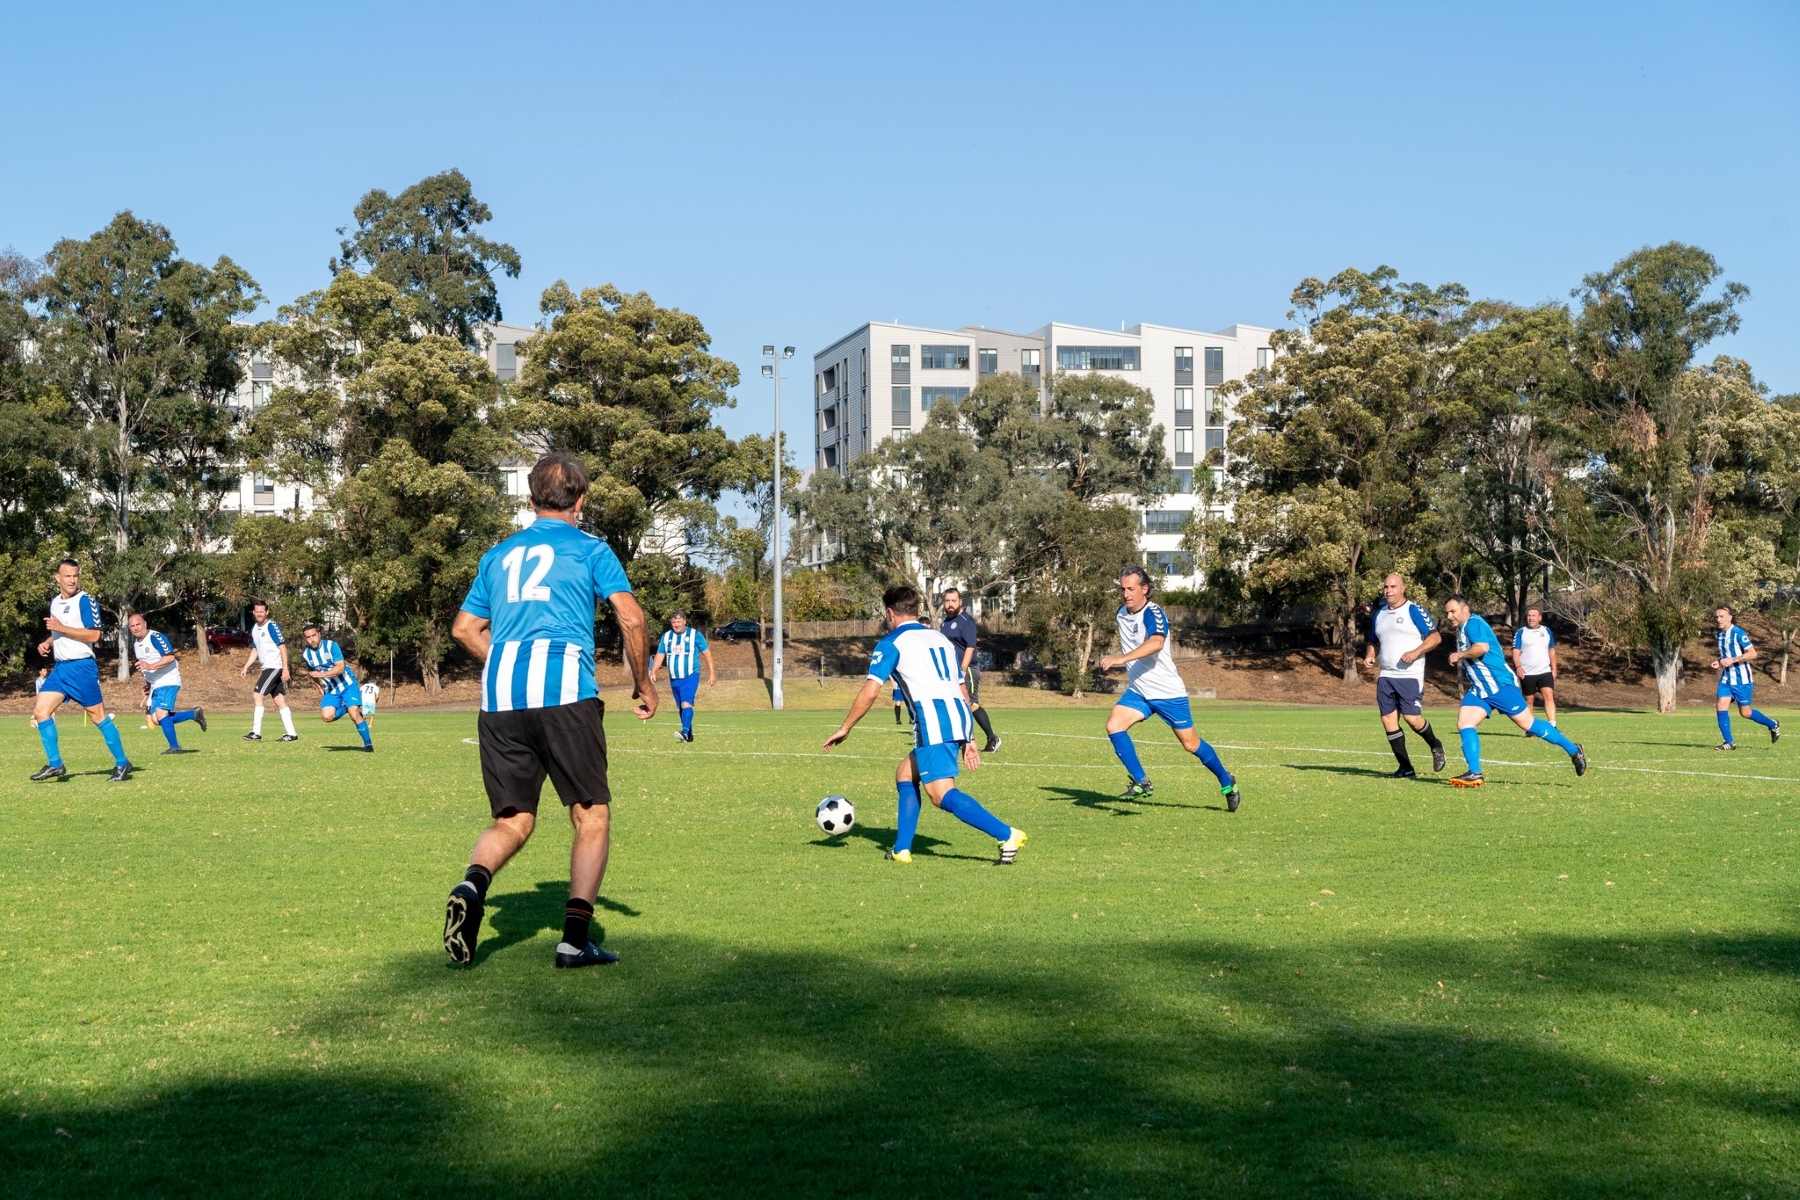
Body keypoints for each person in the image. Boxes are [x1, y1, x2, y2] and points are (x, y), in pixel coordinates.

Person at [443, 452, 656, 969]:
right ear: (580, 501)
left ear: (531, 498)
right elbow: (631, 618)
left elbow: (464, 629)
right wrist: (643, 682)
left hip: (499, 701)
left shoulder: (497, 556)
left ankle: (471, 886)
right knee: (591, 816)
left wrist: (507, 661)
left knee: (513, 820)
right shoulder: (591, 549)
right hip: (564, 695)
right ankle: (574, 941)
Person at [823, 584, 1025, 865]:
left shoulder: (892, 643)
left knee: (941, 795)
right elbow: (962, 689)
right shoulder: (940, 638)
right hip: (958, 715)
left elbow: (870, 691)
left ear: (890, 613)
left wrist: (845, 727)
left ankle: (1007, 834)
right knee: (905, 774)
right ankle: (902, 849)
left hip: (934, 720)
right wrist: (969, 737)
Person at [1098, 566, 1240, 810]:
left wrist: (1121, 659)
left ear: (1145, 588)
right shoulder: (1121, 613)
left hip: (1167, 693)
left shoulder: (1153, 613)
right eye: (1122, 589)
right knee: (1114, 725)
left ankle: (1227, 781)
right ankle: (1141, 782)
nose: (1126, 594)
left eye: (1131, 589)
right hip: (1140, 691)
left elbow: (1156, 643)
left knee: (1191, 744)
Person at [1444, 594, 1587, 787]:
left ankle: (1574, 750)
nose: (1449, 616)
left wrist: (1459, 655)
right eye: (1447, 613)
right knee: (1465, 723)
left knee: (1529, 724)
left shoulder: (1473, 624)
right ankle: (1474, 772)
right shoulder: (1463, 627)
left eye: (1453, 611)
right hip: (1481, 688)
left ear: (1465, 609)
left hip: (1499, 685)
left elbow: (1482, 647)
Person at [29, 559, 133, 783]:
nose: (72, 580)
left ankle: (122, 762)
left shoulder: (86, 601)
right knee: (40, 711)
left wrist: (61, 628)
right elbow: (60, 631)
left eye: (75, 576)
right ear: (57, 577)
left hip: (81, 667)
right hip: (61, 669)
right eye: (67, 576)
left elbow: (94, 635)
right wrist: (48, 641)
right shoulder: (55, 603)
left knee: (98, 717)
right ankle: (55, 764)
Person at [1359, 573, 1447, 779]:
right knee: (1388, 720)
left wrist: (1416, 652)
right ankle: (1405, 768)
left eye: (1393, 586)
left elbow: (1435, 637)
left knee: (1412, 719)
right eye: (1386, 587)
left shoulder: (1413, 610)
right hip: (1386, 675)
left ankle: (1435, 745)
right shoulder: (1379, 615)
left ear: (1402, 588)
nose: (1388, 590)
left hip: (1409, 675)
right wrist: (1370, 655)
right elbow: (1373, 641)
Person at [128, 613, 206, 754]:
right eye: (132, 626)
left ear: (145, 624)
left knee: (161, 714)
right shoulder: (136, 645)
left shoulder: (155, 637)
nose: (136, 628)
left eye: (138, 624)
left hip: (168, 680)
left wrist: (150, 666)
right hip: (155, 685)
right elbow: (143, 666)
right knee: (156, 719)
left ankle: (175, 747)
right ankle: (194, 714)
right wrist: (148, 685)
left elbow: (170, 657)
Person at [939, 587, 1001, 753]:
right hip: (951, 671)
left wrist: (963, 669)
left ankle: (992, 738)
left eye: (953, 600)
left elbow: (970, 647)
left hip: (967, 670)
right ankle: (957, 739)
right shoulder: (945, 622)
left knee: (971, 704)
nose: (950, 604)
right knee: (953, 704)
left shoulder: (966, 621)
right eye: (947, 601)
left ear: (960, 602)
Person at [1711, 605, 1779, 750]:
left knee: (1745, 713)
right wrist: (1719, 661)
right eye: (1716, 617)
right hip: (1726, 678)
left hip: (1742, 679)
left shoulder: (1738, 633)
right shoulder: (1719, 635)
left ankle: (1772, 724)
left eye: (1722, 616)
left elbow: (1752, 653)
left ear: (1730, 617)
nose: (1718, 619)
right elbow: (1726, 655)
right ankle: (1729, 742)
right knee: (1721, 705)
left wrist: (1732, 660)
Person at [300, 623, 373, 752]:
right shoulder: (307, 654)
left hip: (347, 684)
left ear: (319, 634)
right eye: (308, 637)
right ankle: (346, 708)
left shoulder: (331, 646)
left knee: (354, 714)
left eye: (314, 635)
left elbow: (340, 668)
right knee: (327, 716)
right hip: (332, 689)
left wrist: (322, 674)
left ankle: (368, 745)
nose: (312, 639)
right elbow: (312, 672)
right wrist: (319, 687)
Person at [651, 610, 715, 743]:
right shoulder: (666, 637)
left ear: (685, 622)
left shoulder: (695, 635)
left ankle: (684, 732)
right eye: (673, 622)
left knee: (686, 703)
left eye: (679, 622)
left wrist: (712, 673)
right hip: (674, 678)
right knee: (682, 706)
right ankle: (689, 735)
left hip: (691, 675)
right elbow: (660, 655)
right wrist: (653, 671)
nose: (676, 624)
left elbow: (707, 653)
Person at [239, 600, 297, 742]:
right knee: (279, 700)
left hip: (274, 667)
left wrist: (285, 669)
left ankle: (256, 733)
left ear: (267, 612)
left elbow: (282, 648)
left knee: (257, 695)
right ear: (254, 613)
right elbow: (255, 649)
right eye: (257, 612)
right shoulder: (254, 628)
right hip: (267, 667)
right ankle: (292, 733)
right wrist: (246, 666)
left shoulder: (272, 626)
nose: (259, 614)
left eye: (262, 612)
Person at [1510, 608, 1560, 726]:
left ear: (1539, 618)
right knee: (1529, 700)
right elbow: (1515, 652)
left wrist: (1554, 669)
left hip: (1544, 671)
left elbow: (1551, 651)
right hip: (1527, 673)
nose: (1531, 618)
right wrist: (1518, 666)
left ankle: (1552, 726)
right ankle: (1530, 727)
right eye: (1529, 616)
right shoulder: (1521, 632)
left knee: (1549, 697)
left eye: (1533, 616)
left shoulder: (1546, 631)